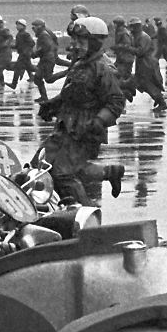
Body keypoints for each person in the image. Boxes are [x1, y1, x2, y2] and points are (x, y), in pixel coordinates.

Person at [37, 16, 125, 205]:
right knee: (42, 163)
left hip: (85, 128)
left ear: (94, 42)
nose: (75, 45)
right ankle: (110, 172)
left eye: (81, 41)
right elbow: (69, 94)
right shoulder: (79, 65)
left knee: (62, 174)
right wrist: (51, 106)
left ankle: (85, 213)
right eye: (74, 40)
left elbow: (116, 101)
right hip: (65, 124)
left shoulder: (104, 68)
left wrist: (99, 121)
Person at [127, 17, 167, 112]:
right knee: (143, 83)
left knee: (148, 84)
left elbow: (140, 51)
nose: (131, 29)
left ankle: (161, 103)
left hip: (147, 63)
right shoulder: (137, 36)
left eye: (132, 27)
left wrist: (128, 48)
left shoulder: (143, 37)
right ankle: (158, 100)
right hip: (142, 63)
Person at [30, 18, 59, 103]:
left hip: (48, 59)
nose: (33, 29)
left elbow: (45, 47)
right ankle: (43, 97)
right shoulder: (42, 35)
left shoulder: (43, 35)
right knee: (37, 78)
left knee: (49, 79)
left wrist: (35, 54)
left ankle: (67, 71)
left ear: (39, 27)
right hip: (44, 59)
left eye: (34, 27)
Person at [10, 19, 37, 90]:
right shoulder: (19, 34)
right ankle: (40, 72)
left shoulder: (25, 34)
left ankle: (13, 84)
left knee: (17, 67)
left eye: (19, 25)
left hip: (24, 55)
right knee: (29, 67)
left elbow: (32, 43)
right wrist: (9, 46)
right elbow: (18, 45)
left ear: (23, 26)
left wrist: (26, 50)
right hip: (23, 54)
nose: (17, 26)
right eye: (17, 25)